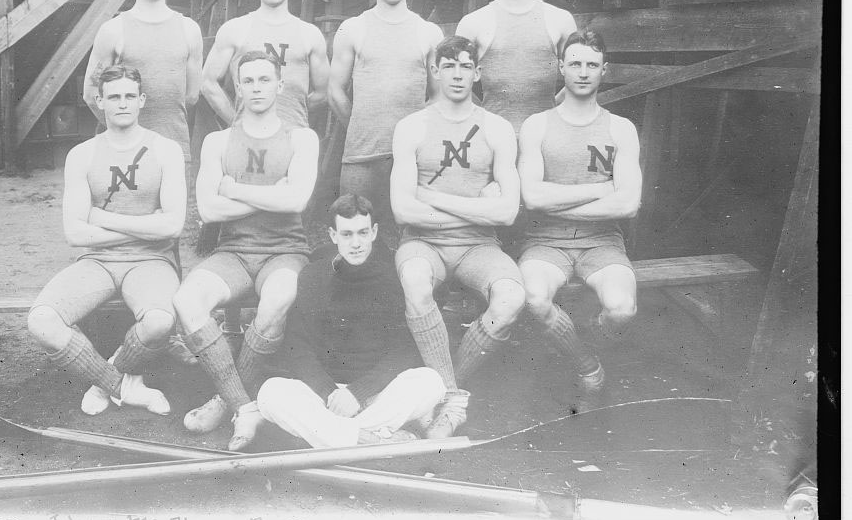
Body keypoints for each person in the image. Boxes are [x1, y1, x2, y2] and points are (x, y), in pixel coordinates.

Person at [172, 50, 319, 451]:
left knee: (279, 297)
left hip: (285, 250)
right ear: (237, 88)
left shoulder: (301, 137)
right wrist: (275, 192)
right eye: (248, 81)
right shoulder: (218, 141)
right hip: (234, 251)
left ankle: (225, 398)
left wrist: (234, 189)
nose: (256, 88)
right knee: (187, 301)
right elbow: (208, 210)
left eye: (264, 80)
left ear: (280, 85)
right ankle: (243, 404)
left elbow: (297, 201)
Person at [27, 65, 187, 416]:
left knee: (160, 321)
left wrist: (103, 218)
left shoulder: (166, 150)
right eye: (114, 97)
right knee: (41, 320)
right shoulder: (82, 154)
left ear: (142, 100)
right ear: (99, 101)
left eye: (130, 96)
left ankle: (104, 380)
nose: (123, 103)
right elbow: (75, 233)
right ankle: (119, 384)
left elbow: (173, 226)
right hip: (97, 261)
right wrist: (146, 223)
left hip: (151, 261)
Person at [390, 36, 526, 439]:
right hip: (422, 242)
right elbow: (403, 210)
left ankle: (445, 394)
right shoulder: (413, 126)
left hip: (479, 245)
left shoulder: (497, 128)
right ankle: (452, 397)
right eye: (448, 66)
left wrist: (432, 196)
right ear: (435, 71)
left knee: (512, 298)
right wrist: (474, 205)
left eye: (465, 66)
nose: (457, 74)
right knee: (415, 281)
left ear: (477, 73)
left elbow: (506, 213)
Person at [257, 194, 446, 448]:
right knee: (270, 393)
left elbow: (404, 350)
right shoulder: (313, 276)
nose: (356, 243)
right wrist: (329, 394)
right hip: (324, 395)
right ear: (333, 236)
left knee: (430, 382)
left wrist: (358, 393)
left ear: (374, 232)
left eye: (362, 233)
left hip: (374, 395)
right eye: (346, 234)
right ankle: (370, 439)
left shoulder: (393, 277)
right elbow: (297, 347)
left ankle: (334, 435)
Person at [517, 29, 641, 408]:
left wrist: (559, 202)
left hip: (602, 242)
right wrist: (601, 190)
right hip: (545, 241)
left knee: (621, 309)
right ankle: (587, 366)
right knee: (535, 299)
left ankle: (581, 339)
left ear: (605, 70)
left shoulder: (621, 128)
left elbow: (629, 205)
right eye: (575, 64)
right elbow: (532, 198)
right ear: (561, 68)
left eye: (591, 64)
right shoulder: (537, 125)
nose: (583, 72)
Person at [328, 0, 444, 231]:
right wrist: (359, 126)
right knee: (357, 233)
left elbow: (438, 95)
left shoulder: (428, 32)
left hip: (411, 157)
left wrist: (410, 135)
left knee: (411, 236)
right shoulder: (353, 28)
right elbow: (334, 90)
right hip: (361, 156)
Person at [83, 0, 204, 179]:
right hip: (122, 151)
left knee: (172, 215)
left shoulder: (189, 29)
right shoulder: (113, 30)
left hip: (174, 147)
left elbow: (191, 95)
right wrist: (122, 129)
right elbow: (90, 93)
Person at [455, 0, 577, 133]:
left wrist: (550, 113)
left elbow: (579, 79)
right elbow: (455, 82)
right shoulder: (473, 23)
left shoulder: (560, 20)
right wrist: (486, 118)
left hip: (544, 139)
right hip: (492, 139)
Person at [200, 0, 330, 130]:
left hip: (293, 136)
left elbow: (323, 93)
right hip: (247, 138)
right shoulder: (235, 29)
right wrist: (237, 123)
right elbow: (207, 83)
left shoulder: (309, 34)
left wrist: (291, 113)